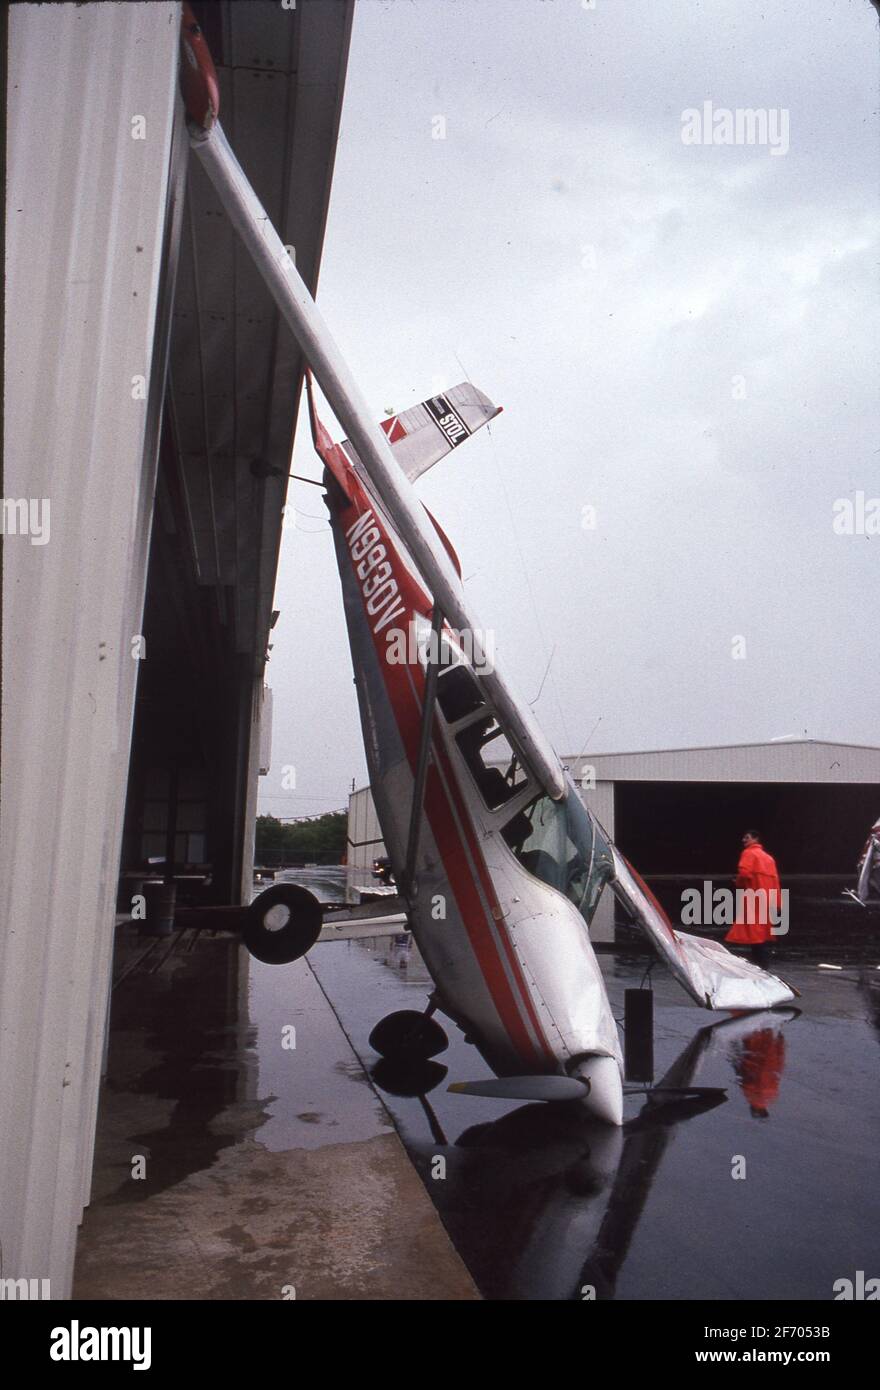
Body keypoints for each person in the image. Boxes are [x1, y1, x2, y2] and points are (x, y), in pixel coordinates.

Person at [725, 829, 781, 963]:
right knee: (760, 930)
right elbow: (775, 881)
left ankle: (761, 962)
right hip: (767, 897)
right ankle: (762, 962)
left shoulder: (749, 853)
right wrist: (778, 902)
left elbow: (744, 873)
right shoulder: (768, 858)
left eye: (747, 838)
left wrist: (738, 882)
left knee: (754, 930)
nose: (744, 840)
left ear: (755, 839)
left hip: (754, 897)